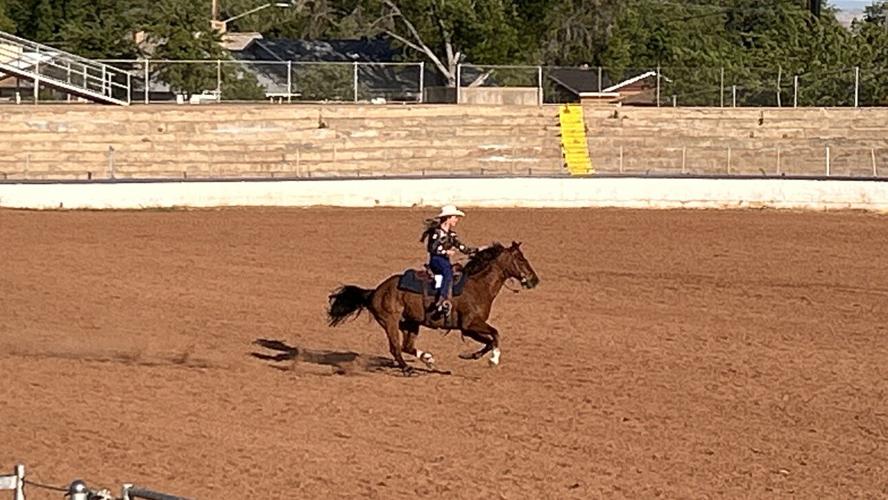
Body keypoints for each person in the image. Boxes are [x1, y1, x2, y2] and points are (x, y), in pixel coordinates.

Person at [419, 205, 477, 318]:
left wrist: (475, 251)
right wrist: (446, 252)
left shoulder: (451, 235)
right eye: (455, 217)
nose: (456, 220)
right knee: (448, 272)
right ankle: (442, 300)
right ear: (448, 218)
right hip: (436, 260)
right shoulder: (436, 233)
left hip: (444, 260)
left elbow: (462, 247)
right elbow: (432, 249)